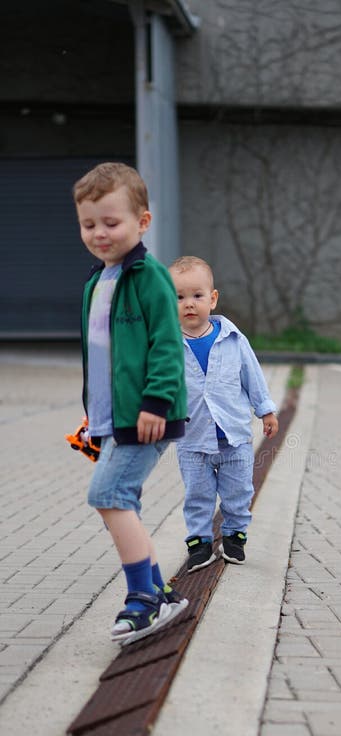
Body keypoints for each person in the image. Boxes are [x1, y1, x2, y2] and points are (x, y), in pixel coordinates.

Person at [72, 161, 189, 646]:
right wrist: (94, 416)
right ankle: (155, 592)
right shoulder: (96, 283)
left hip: (151, 415)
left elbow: (166, 343)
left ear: (142, 222)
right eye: (88, 224)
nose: (99, 233)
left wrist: (156, 403)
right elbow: (103, 361)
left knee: (108, 495)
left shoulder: (149, 277)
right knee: (122, 499)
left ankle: (145, 599)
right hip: (115, 419)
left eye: (111, 222)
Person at [168, 255, 279, 573]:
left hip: (234, 438)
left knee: (239, 491)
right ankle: (200, 544)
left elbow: (252, 375)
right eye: (179, 297)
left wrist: (266, 410)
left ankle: (234, 536)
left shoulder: (233, 339)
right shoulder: (167, 346)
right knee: (198, 495)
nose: (189, 304)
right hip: (192, 440)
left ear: (212, 299)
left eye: (197, 296)